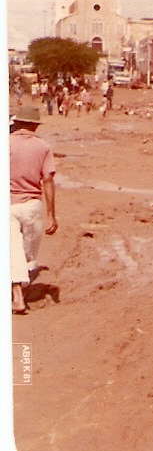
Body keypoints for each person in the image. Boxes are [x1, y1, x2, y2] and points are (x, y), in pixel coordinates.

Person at [9, 105, 57, 314]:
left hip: (8, 204)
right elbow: (48, 180)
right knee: (28, 253)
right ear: (34, 126)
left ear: (17, 123)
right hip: (32, 206)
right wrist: (51, 215)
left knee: (13, 250)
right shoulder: (43, 147)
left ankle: (18, 295)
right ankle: (20, 292)